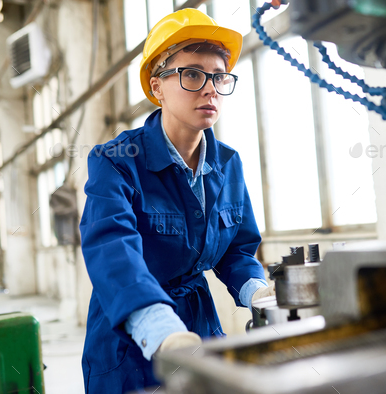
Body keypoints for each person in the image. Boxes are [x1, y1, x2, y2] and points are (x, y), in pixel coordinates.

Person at [79, 9, 275, 393]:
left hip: (200, 326)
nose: (210, 88)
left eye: (219, 77)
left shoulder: (228, 163)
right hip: (131, 335)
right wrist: (161, 330)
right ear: (157, 87)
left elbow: (236, 250)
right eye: (192, 75)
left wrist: (260, 293)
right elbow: (112, 249)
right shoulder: (116, 161)